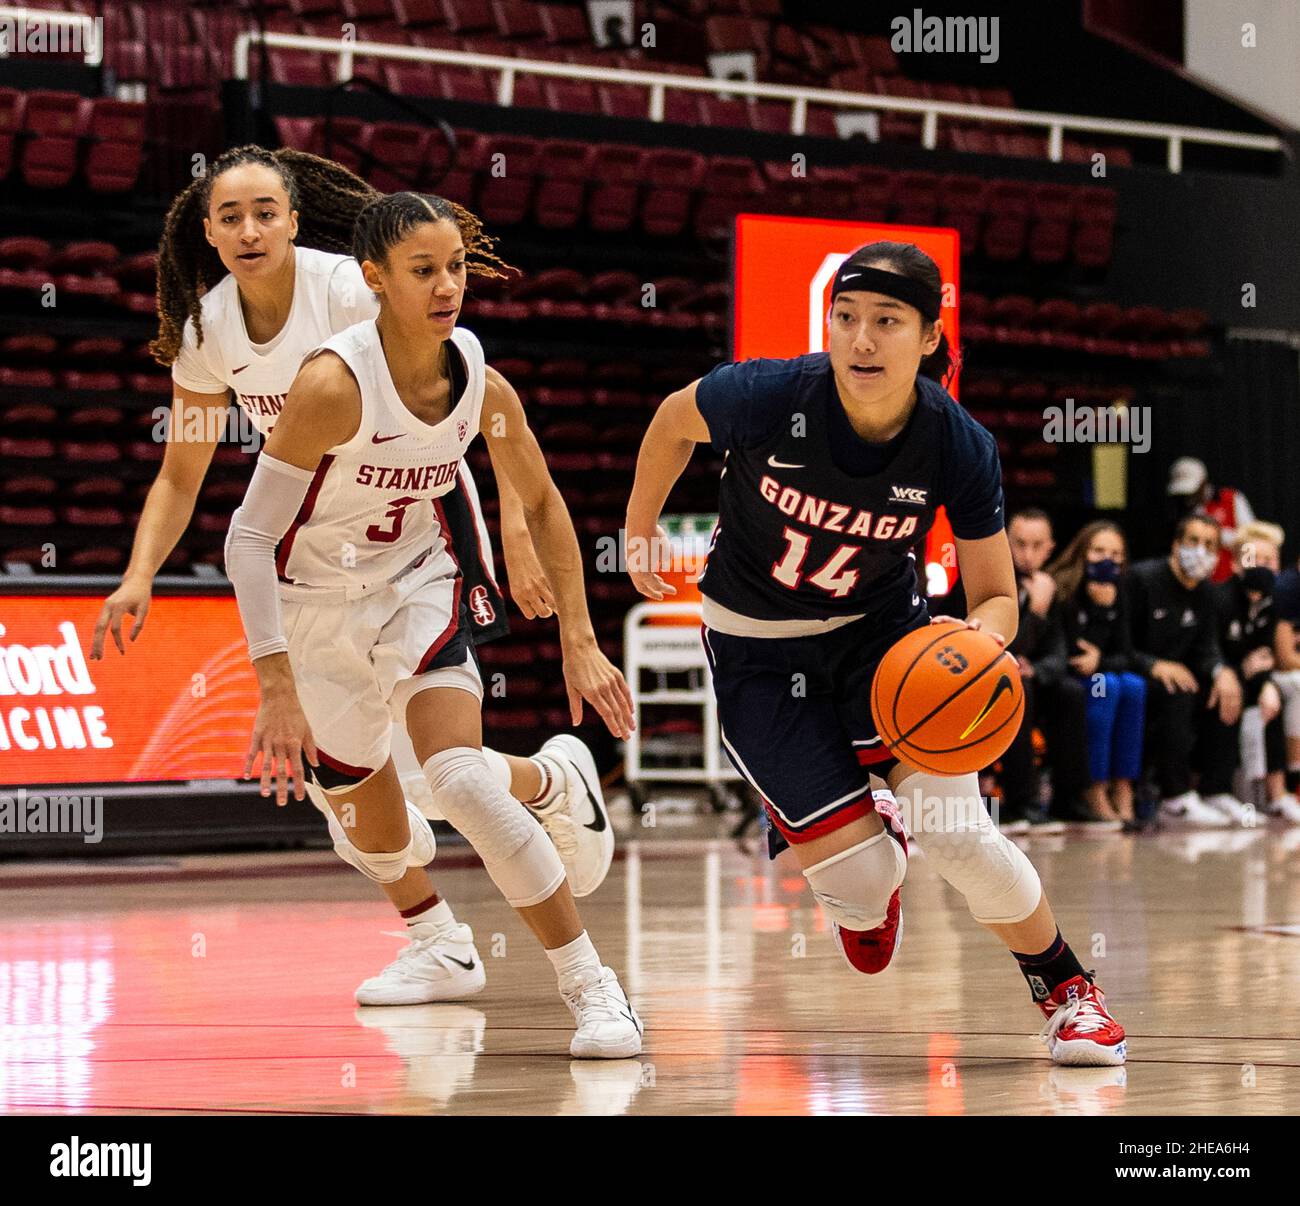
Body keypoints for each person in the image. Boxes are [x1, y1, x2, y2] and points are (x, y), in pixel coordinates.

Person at [88, 146, 613, 1007]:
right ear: (208, 233)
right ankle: (453, 926)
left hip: (413, 532)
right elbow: (182, 473)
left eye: (267, 211)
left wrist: (516, 529)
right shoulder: (207, 331)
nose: (251, 229)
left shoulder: (344, 294)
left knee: (450, 779)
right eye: (231, 216)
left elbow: (460, 399)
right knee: (362, 801)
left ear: (296, 220)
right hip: (314, 559)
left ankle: (581, 961)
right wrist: (139, 572)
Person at [624, 240, 1125, 1066]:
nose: (861, 339)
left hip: (884, 644)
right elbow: (674, 420)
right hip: (757, 649)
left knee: (958, 835)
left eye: (887, 322)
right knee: (861, 894)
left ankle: (1070, 991)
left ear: (929, 337)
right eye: (846, 318)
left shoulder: (955, 443)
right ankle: (866, 850)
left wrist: (974, 647)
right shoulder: (769, 392)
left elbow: (996, 595)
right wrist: (640, 528)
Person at [224, 190, 642, 1057]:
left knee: (456, 780)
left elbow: (542, 497)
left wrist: (581, 639)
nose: (447, 285)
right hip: (312, 606)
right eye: (424, 271)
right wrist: (274, 686)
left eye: (455, 267)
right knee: (371, 831)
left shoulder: (478, 378)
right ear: (374, 278)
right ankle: (454, 929)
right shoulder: (333, 387)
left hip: (419, 581)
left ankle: (595, 990)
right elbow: (249, 537)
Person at [1128, 512, 1243, 827]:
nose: (1200, 550)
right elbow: (1120, 645)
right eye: (1193, 541)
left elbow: (1207, 647)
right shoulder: (1142, 579)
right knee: (1177, 693)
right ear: (1176, 544)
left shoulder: (1207, 593)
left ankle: (1215, 789)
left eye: (1210, 544)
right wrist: (1154, 664)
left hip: (1182, 675)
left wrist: (1222, 670)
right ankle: (1175, 797)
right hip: (1138, 674)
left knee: (1228, 687)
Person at [993, 508, 1087, 831]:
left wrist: (1039, 669)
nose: (1027, 555)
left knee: (1071, 693)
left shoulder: (1051, 587)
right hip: (986, 683)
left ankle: (1069, 800)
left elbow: (1059, 653)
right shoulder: (991, 582)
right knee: (1018, 686)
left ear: (1050, 548)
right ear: (1004, 541)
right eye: (1019, 544)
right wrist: (1034, 611)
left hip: (1032, 679)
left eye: (1037, 546)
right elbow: (1000, 647)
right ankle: (1021, 803)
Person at [1046, 521, 1145, 827]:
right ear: (1082, 552)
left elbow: (1125, 653)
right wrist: (1100, 618)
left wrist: (1105, 618)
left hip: (1103, 673)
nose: (1107, 560)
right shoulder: (1062, 586)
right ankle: (1095, 787)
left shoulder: (1120, 589)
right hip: (1070, 679)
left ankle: (1124, 785)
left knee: (1134, 686)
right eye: (1099, 551)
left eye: (1115, 554)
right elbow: (1073, 651)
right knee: (1109, 687)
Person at [1213, 521, 1300, 822]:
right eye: (1255, 559)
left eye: (1270, 560)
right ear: (1237, 563)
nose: (1263, 566)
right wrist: (1235, 670)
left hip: (1254, 681)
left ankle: (1278, 792)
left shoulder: (1273, 602)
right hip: (1219, 678)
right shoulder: (1220, 599)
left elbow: (1266, 657)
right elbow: (1213, 651)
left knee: (1272, 697)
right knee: (1236, 695)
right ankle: (1226, 792)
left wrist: (1266, 683)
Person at [1166, 457, 1254, 583]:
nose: (1188, 496)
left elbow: (1251, 539)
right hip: (1197, 584)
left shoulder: (1231, 498)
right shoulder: (1181, 511)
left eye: (1192, 490)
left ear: (1203, 483)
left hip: (1233, 582)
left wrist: (1248, 571)